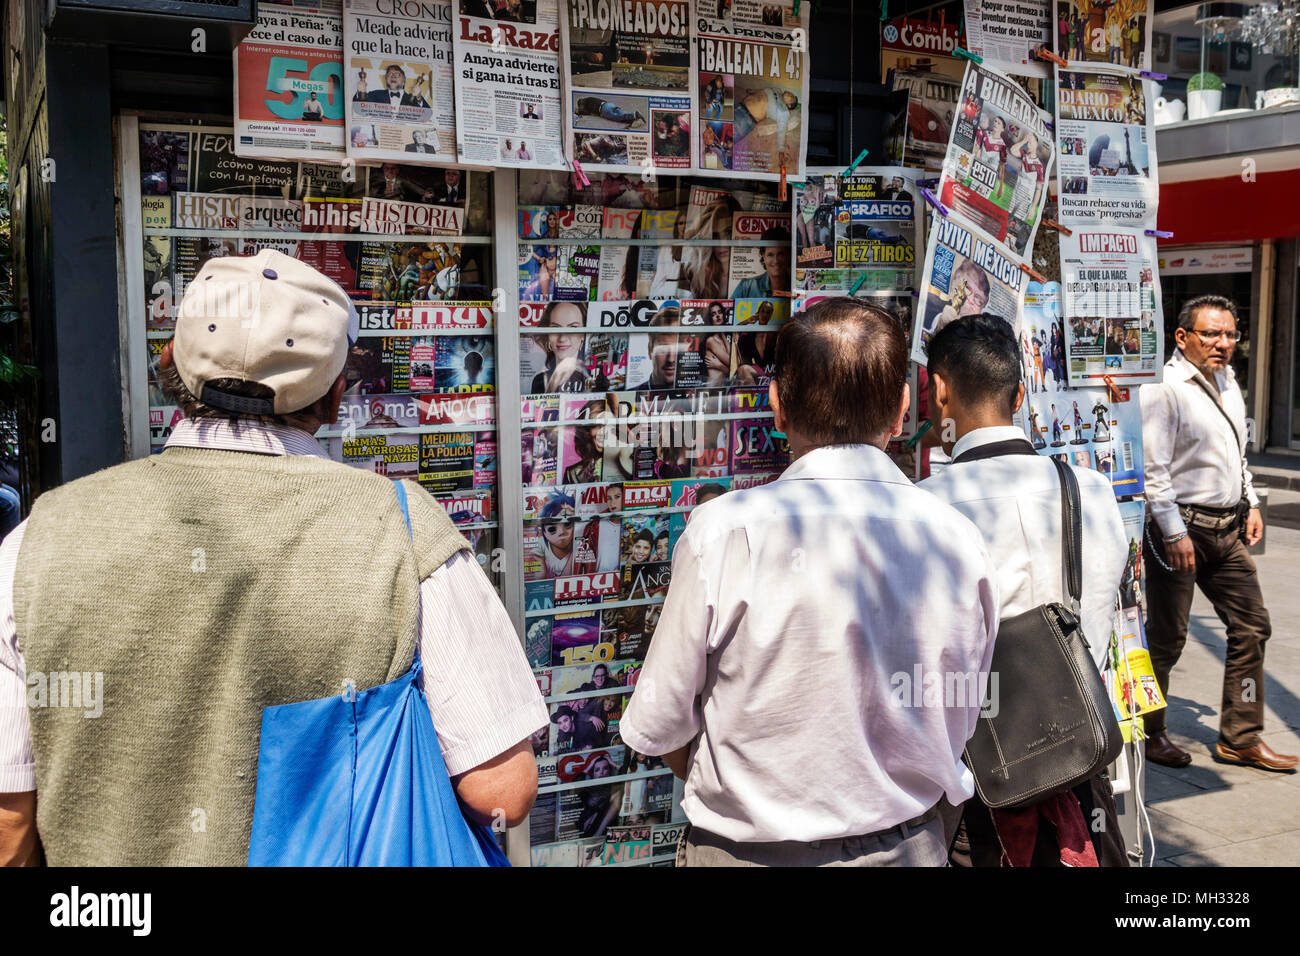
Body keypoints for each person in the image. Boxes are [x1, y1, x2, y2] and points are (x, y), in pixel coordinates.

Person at [0, 250, 546, 865]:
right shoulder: (403, 528)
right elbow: (502, 791)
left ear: (170, 368)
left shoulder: (36, 544)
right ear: (336, 395)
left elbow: (9, 825)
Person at [619, 297, 998, 867]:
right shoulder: (957, 540)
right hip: (908, 846)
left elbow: (665, 721)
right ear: (902, 409)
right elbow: (961, 715)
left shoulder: (724, 533)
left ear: (775, 406)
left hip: (747, 851)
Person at [919, 314, 1130, 867]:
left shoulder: (922, 506)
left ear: (939, 391)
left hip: (975, 786)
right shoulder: (1089, 489)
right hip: (1080, 768)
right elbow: (1099, 623)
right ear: (1019, 393)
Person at [1140, 295, 1296, 771]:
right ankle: (1151, 732)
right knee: (1166, 639)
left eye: (1230, 334)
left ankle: (1240, 736)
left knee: (1252, 625)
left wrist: (1249, 501)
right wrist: (1171, 532)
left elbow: (1238, 453)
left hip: (1226, 530)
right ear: (1182, 337)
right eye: (1210, 334)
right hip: (1180, 529)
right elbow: (1153, 470)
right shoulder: (1164, 388)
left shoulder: (1228, 381)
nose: (1222, 343)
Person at [731, 226, 792, 299]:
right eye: (770, 255)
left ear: (788, 255)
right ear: (763, 256)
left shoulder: (797, 287)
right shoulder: (746, 288)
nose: (776, 260)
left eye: (780, 254)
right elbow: (728, 309)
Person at [365, 65, 431, 109]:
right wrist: (361, 91)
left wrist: (418, 97)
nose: (393, 76)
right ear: (385, 78)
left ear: (404, 80)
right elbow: (359, 107)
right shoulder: (374, 95)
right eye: (390, 74)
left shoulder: (413, 100)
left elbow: (427, 115)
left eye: (397, 74)